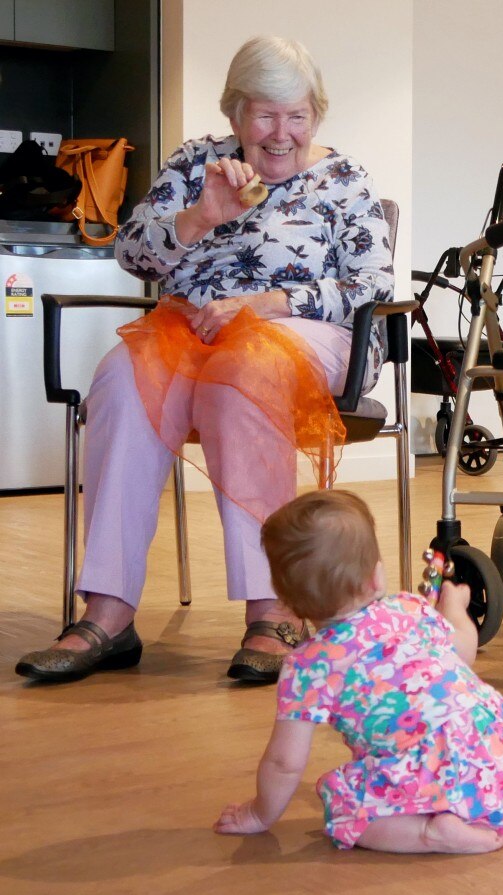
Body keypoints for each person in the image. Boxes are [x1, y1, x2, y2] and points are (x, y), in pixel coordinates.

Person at [15, 36, 395, 685]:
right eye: (264, 114)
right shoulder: (196, 164)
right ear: (234, 113)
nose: (281, 133)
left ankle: (273, 609)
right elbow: (133, 254)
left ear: (317, 114)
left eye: (296, 115)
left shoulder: (343, 179)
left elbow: (371, 285)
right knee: (122, 379)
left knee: (240, 376)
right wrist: (196, 218)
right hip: (186, 330)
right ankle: (107, 612)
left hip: (301, 331)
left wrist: (269, 301)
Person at [214, 490, 503, 853]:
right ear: (376, 578)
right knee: (451, 771)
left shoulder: (307, 666)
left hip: (422, 768)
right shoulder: (409, 608)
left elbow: (284, 762)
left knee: (344, 810)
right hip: (496, 750)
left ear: (289, 603)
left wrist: (259, 814)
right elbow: (463, 652)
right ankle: (470, 810)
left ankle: (427, 834)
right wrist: (455, 609)